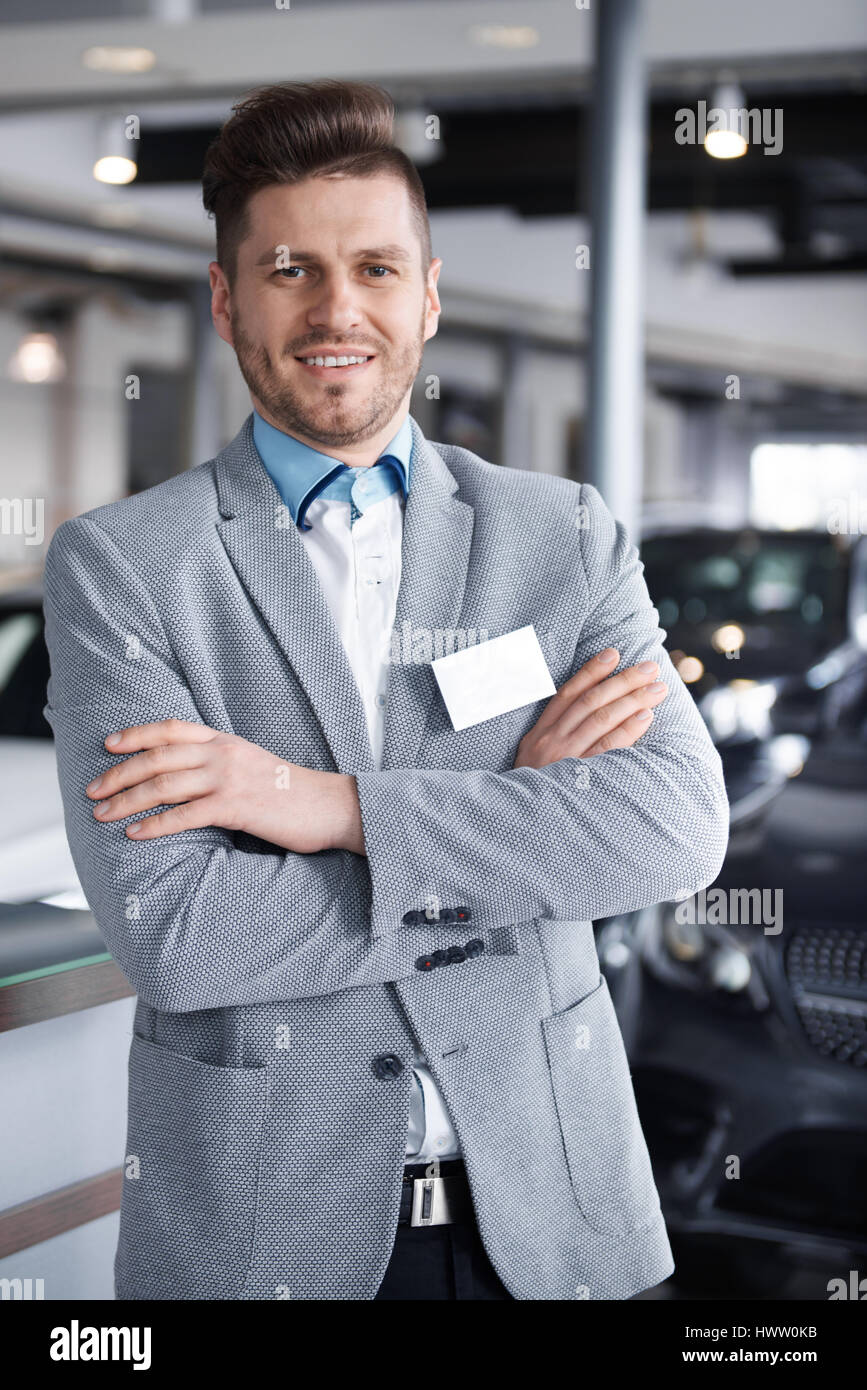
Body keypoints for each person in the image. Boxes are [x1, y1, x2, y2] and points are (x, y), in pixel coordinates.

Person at [42, 80, 729, 1301]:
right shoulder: (128, 567)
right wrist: (516, 821)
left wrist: (326, 808)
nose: (336, 308)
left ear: (428, 293)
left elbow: (676, 830)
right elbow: (183, 938)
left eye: (373, 267)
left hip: (555, 1222)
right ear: (225, 298)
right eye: (290, 270)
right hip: (267, 1241)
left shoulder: (559, 537)